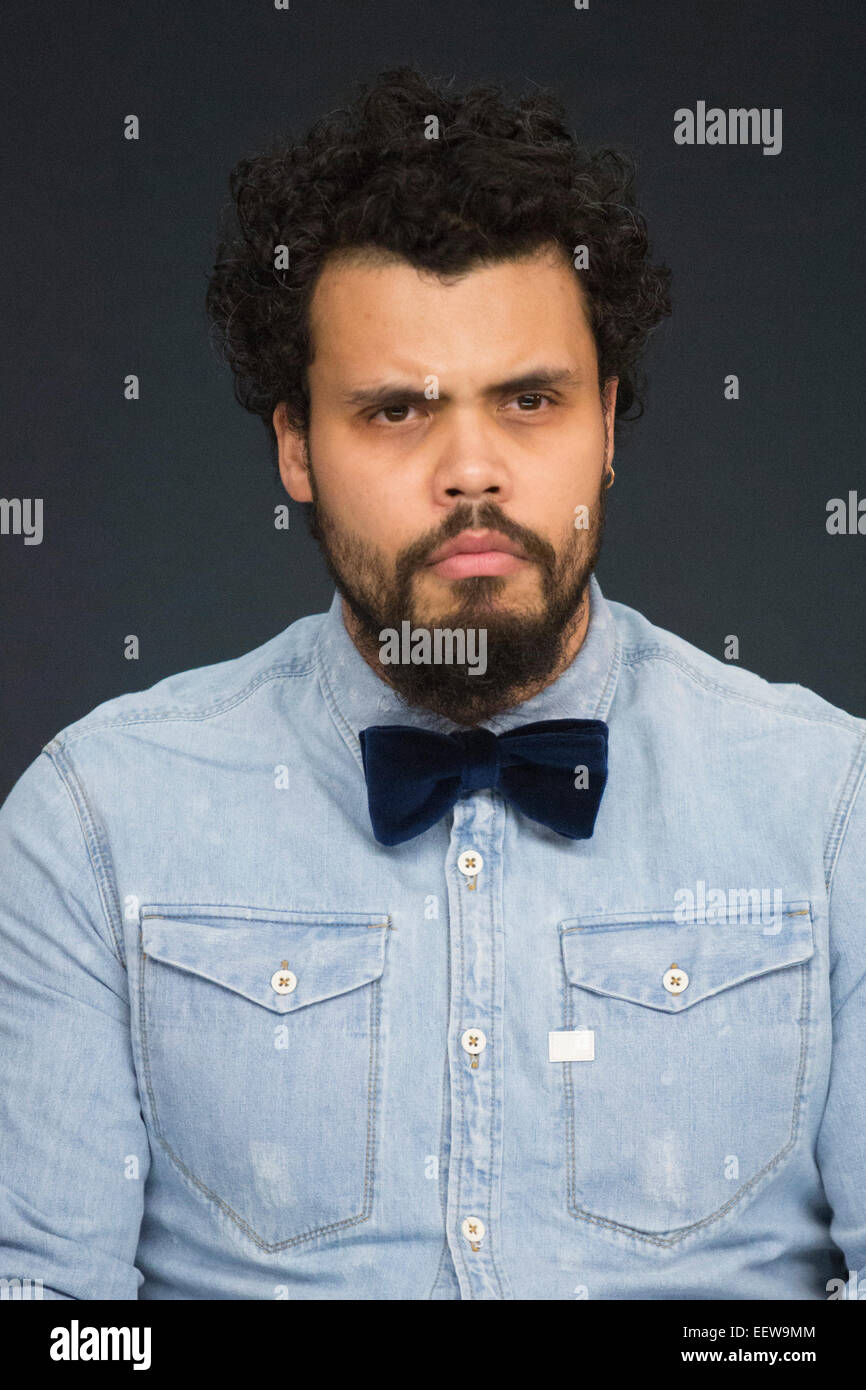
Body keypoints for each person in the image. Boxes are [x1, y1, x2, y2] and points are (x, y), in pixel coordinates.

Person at [0, 66, 863, 1302]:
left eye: (528, 400)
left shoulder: (831, 806)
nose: (472, 471)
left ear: (607, 424)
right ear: (295, 445)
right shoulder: (91, 826)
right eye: (398, 410)